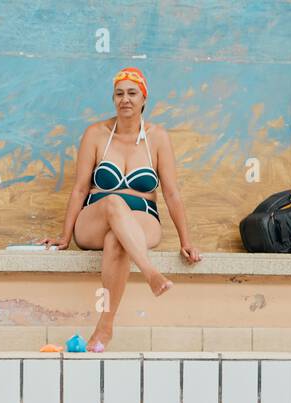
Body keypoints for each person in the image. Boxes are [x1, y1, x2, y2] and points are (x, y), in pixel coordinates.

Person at [40, 67, 202, 350]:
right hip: (96, 217)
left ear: (143, 99)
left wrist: (185, 241)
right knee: (114, 202)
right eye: (119, 94)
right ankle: (150, 272)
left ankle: (105, 327)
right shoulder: (96, 134)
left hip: (143, 218)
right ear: (113, 99)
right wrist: (64, 236)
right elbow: (79, 188)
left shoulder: (158, 138)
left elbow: (172, 193)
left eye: (132, 93)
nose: (125, 99)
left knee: (117, 240)